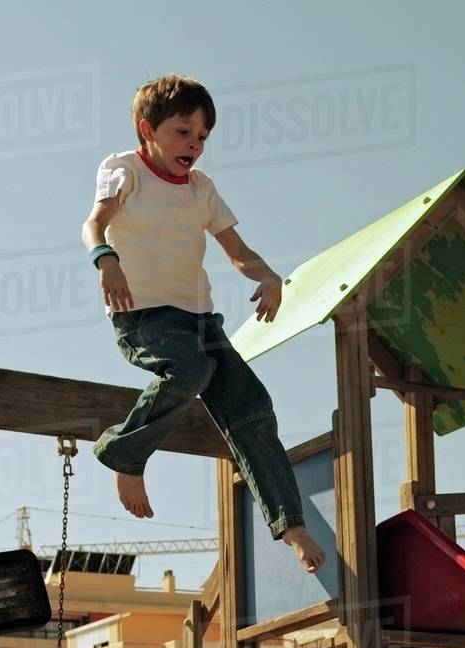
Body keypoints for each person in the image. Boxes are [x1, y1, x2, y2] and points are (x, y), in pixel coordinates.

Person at [80, 74, 326, 575]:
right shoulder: (123, 169)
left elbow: (237, 252)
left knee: (252, 406)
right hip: (142, 314)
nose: (193, 145)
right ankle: (124, 455)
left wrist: (269, 276)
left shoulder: (202, 190)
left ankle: (289, 521)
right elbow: (94, 223)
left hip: (199, 320)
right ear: (147, 130)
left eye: (202, 138)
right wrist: (107, 261)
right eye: (182, 133)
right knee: (189, 371)